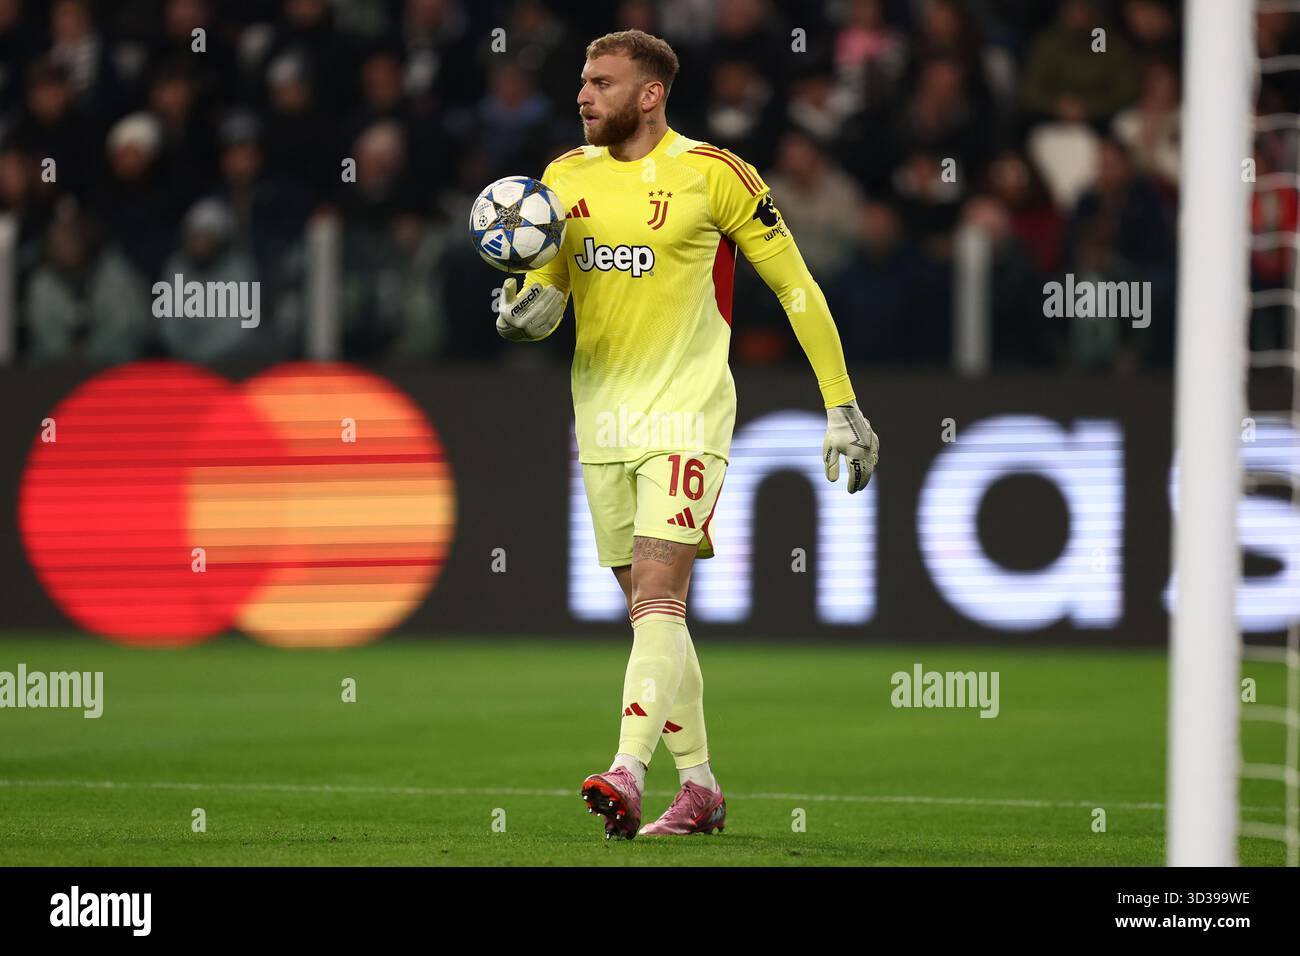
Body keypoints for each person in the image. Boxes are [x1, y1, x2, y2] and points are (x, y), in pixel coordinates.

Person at [491, 29, 880, 840]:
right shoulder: (561, 182)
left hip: (686, 414)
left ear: (650, 93)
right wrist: (524, 314)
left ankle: (627, 771)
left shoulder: (715, 176)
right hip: (601, 417)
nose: (583, 96)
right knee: (650, 612)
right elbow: (547, 291)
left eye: (601, 82)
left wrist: (840, 403)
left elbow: (796, 287)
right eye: (582, 81)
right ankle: (698, 786)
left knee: (661, 596)